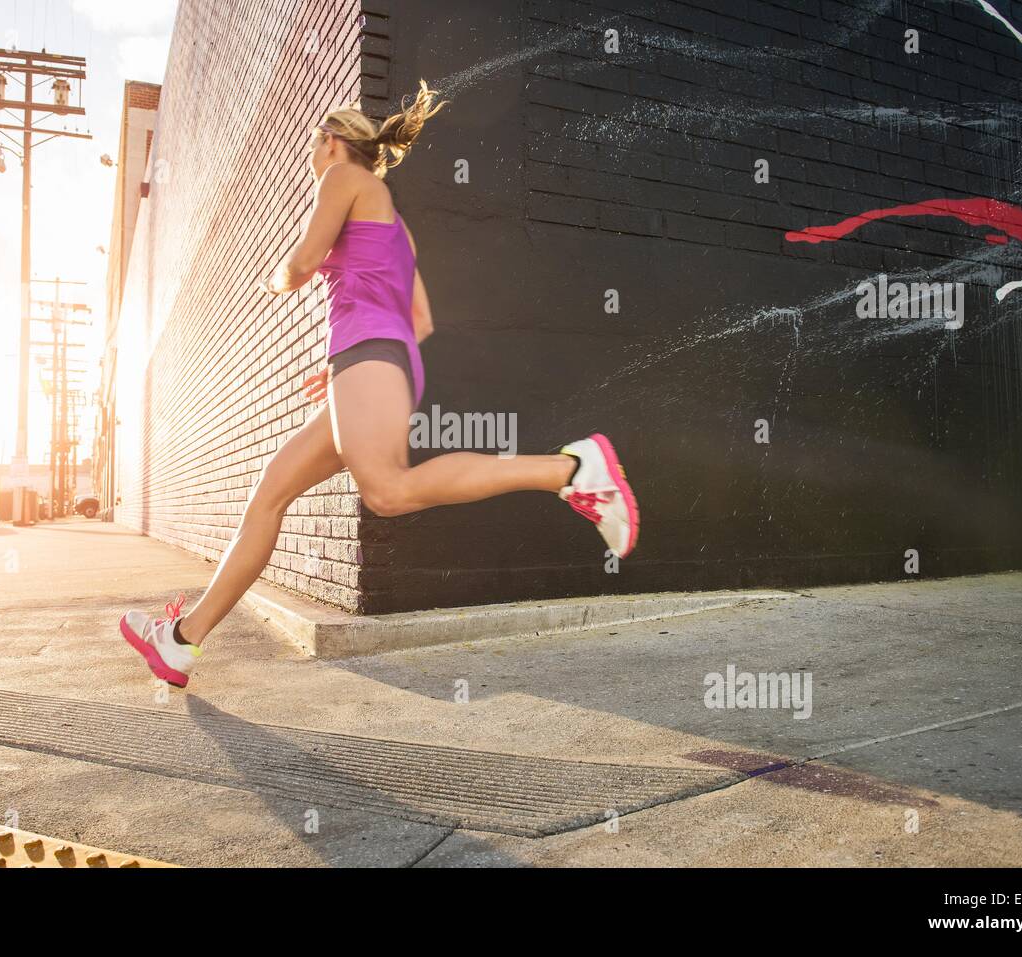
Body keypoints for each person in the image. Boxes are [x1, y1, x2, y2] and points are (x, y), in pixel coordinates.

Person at [120, 81, 640, 687]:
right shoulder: (397, 228)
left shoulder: (342, 178)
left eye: (313, 144)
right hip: (378, 359)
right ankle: (182, 642)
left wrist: (275, 282)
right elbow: (419, 320)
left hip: (370, 356)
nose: (311, 156)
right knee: (269, 496)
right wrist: (351, 368)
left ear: (332, 141)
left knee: (388, 492)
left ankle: (572, 470)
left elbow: (301, 264)